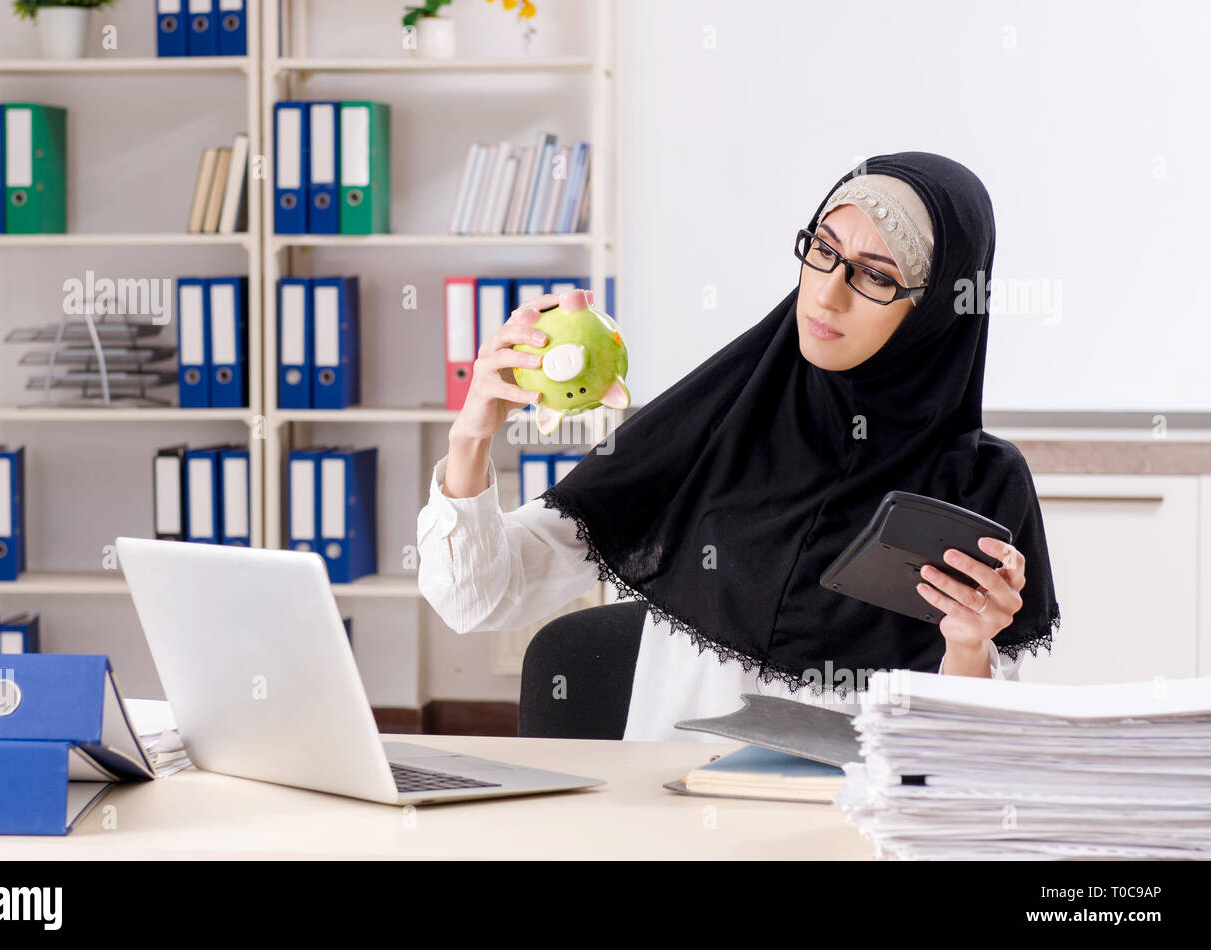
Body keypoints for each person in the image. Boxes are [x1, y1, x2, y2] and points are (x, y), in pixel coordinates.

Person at [417, 151, 1060, 741]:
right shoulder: (714, 423)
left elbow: (979, 750)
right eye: (823, 251)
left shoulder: (980, 482)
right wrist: (474, 432)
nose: (829, 293)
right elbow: (479, 598)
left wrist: (970, 647)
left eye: (876, 278)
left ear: (935, 309)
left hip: (856, 822)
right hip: (679, 813)